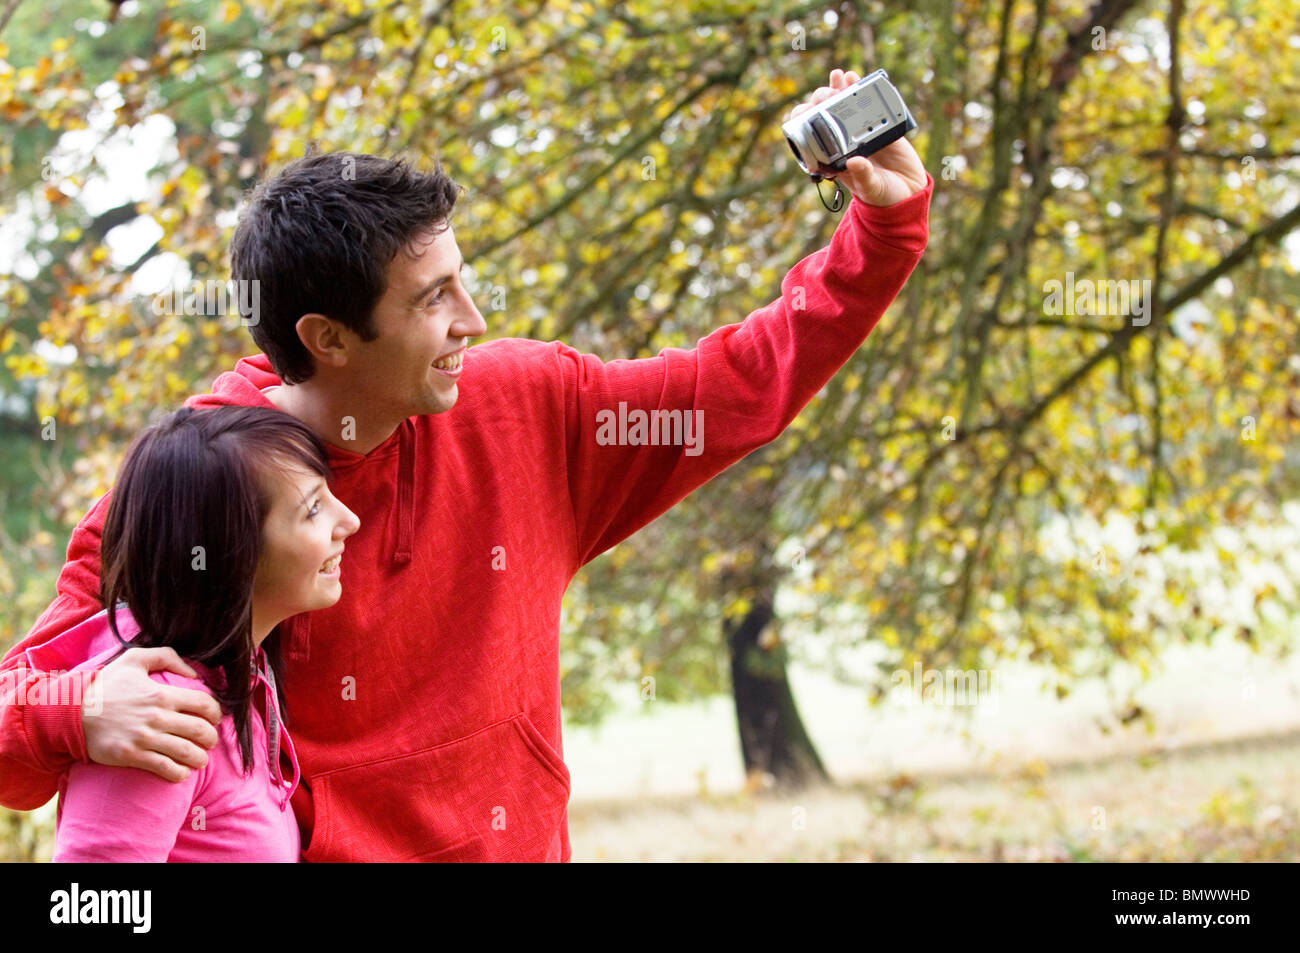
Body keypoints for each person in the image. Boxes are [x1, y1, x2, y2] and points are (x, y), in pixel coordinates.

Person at [0, 68, 932, 861]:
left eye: (463, 279)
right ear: (326, 336)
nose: (473, 321)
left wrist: (880, 235)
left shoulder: (531, 405)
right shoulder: (196, 480)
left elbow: (734, 386)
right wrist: (73, 710)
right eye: (434, 297)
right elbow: (20, 718)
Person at [47, 406, 359, 861]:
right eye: (312, 509)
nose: (348, 520)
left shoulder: (237, 675)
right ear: (233, 550)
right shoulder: (158, 717)